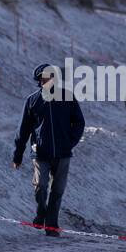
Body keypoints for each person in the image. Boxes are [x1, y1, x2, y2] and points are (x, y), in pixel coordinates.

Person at [13, 63, 86, 237]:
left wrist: (70, 142)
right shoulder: (32, 101)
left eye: (51, 77)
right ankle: (41, 213)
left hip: (63, 153)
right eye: (45, 78)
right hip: (40, 153)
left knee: (58, 190)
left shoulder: (67, 97)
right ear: (39, 80)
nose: (48, 80)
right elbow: (23, 130)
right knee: (41, 185)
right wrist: (18, 155)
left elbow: (79, 122)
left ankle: (51, 226)